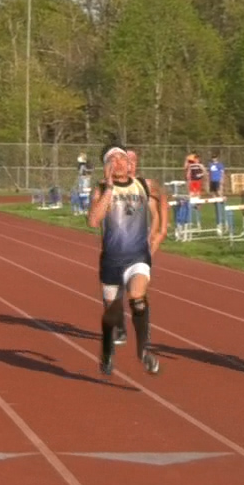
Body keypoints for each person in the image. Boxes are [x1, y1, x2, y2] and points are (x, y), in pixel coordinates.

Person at [87, 144, 170, 376]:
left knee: (137, 296)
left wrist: (161, 227)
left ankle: (144, 351)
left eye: (122, 158)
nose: (119, 163)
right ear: (106, 166)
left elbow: (162, 194)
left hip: (138, 257)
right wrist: (110, 188)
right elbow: (94, 221)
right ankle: (106, 351)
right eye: (112, 159)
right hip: (112, 259)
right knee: (111, 314)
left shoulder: (144, 184)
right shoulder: (102, 188)